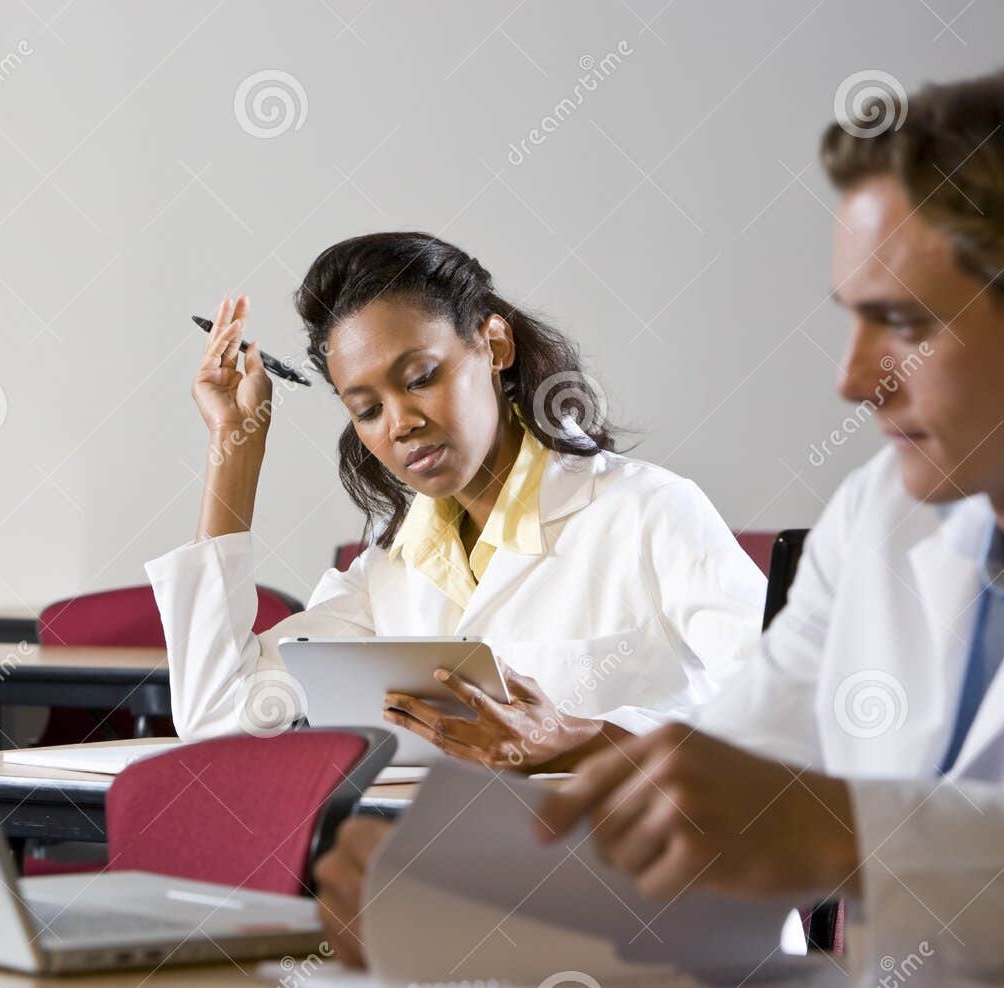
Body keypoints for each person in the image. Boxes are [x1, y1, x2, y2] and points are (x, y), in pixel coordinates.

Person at [317, 67, 1004, 988]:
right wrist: (454, 897)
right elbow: (720, 791)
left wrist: (854, 835)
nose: (854, 377)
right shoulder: (886, 517)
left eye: (903, 322)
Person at [146, 232, 766, 770]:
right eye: (366, 410)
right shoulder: (391, 573)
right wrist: (234, 445)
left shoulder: (647, 511)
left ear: (494, 345)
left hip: (652, 895)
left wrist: (587, 739)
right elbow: (221, 716)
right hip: (477, 888)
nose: (399, 423)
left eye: (420, 379)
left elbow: (795, 714)